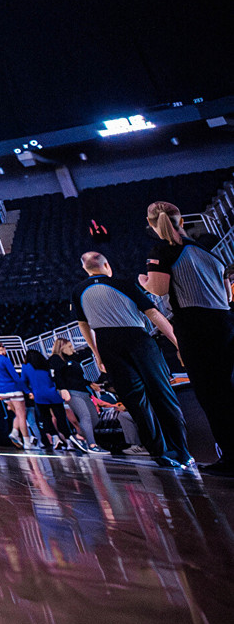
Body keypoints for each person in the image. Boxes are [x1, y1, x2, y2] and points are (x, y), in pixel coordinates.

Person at [75, 251, 193, 471]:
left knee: (138, 403)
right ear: (107, 265)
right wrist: (178, 344)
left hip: (108, 345)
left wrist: (97, 354)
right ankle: (183, 452)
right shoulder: (123, 284)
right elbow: (154, 314)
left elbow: (84, 326)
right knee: (163, 394)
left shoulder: (78, 291)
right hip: (138, 340)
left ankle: (161, 453)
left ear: (85, 269)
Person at [143, 201, 234, 472]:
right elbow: (228, 294)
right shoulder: (207, 250)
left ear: (151, 224)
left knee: (211, 396)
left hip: (195, 326)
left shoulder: (163, 251)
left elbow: (159, 291)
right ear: (181, 220)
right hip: (225, 322)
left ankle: (230, 458)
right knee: (227, 389)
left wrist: (142, 282)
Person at [48, 336, 98, 452]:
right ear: (62, 347)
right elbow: (56, 376)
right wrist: (62, 389)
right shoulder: (56, 359)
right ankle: (92, 445)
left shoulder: (73, 359)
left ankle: (79, 436)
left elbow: (77, 376)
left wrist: (89, 383)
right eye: (69, 346)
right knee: (85, 416)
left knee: (94, 418)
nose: (72, 349)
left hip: (83, 391)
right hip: (72, 392)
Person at [0, 341, 31, 449]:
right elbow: (15, 377)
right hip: (13, 389)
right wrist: (27, 390)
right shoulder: (5, 360)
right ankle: (27, 441)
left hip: (2, 392)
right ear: (0, 350)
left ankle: (14, 432)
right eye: (3, 349)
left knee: (17, 414)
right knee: (21, 415)